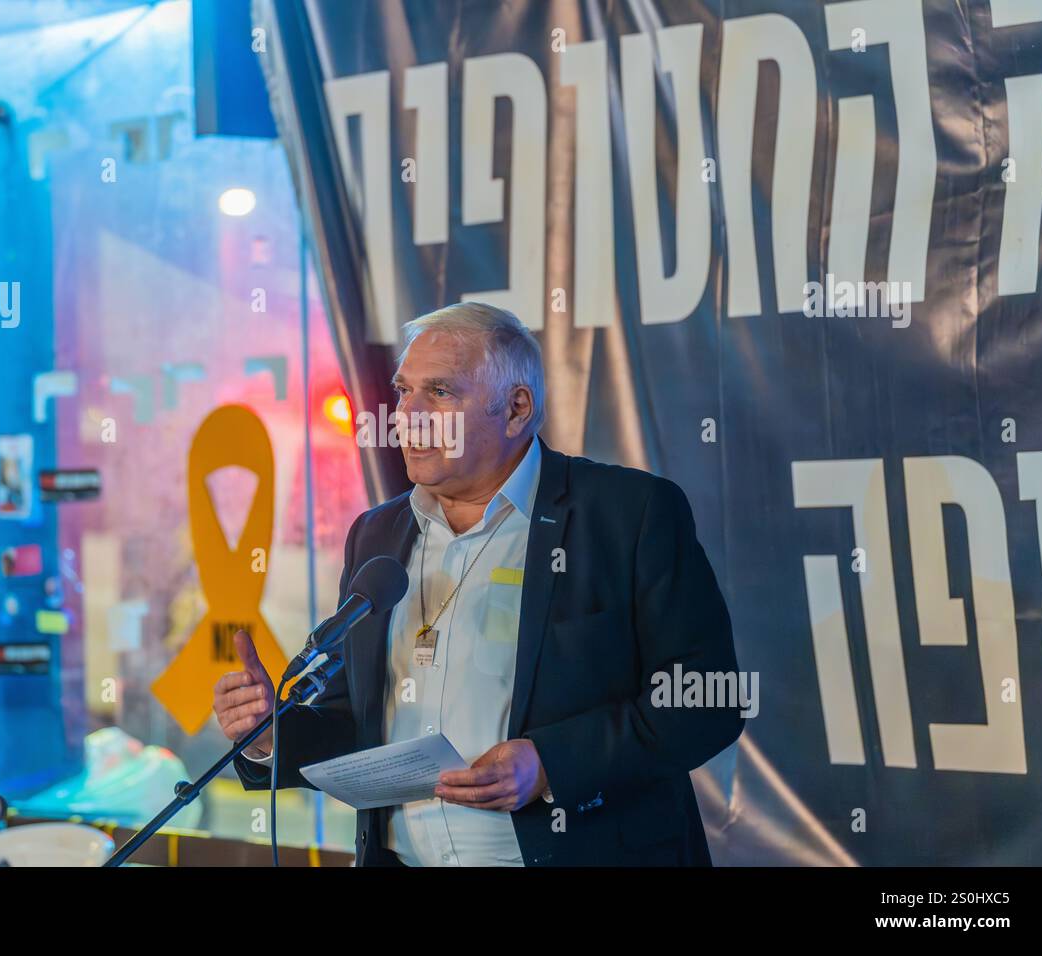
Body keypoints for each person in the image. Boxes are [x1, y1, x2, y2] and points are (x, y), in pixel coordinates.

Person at [213, 302, 742, 865]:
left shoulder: (627, 515)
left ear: (516, 409)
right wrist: (272, 735)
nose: (406, 414)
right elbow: (358, 722)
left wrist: (548, 764)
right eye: (402, 391)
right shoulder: (376, 535)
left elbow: (704, 704)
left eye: (439, 392)